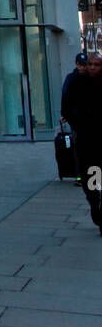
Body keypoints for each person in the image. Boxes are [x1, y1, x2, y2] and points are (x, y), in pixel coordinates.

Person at [61, 51, 102, 230]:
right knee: (91, 177)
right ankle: (95, 204)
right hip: (87, 140)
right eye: (90, 64)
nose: (92, 68)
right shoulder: (76, 82)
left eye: (96, 65)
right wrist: (78, 121)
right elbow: (67, 107)